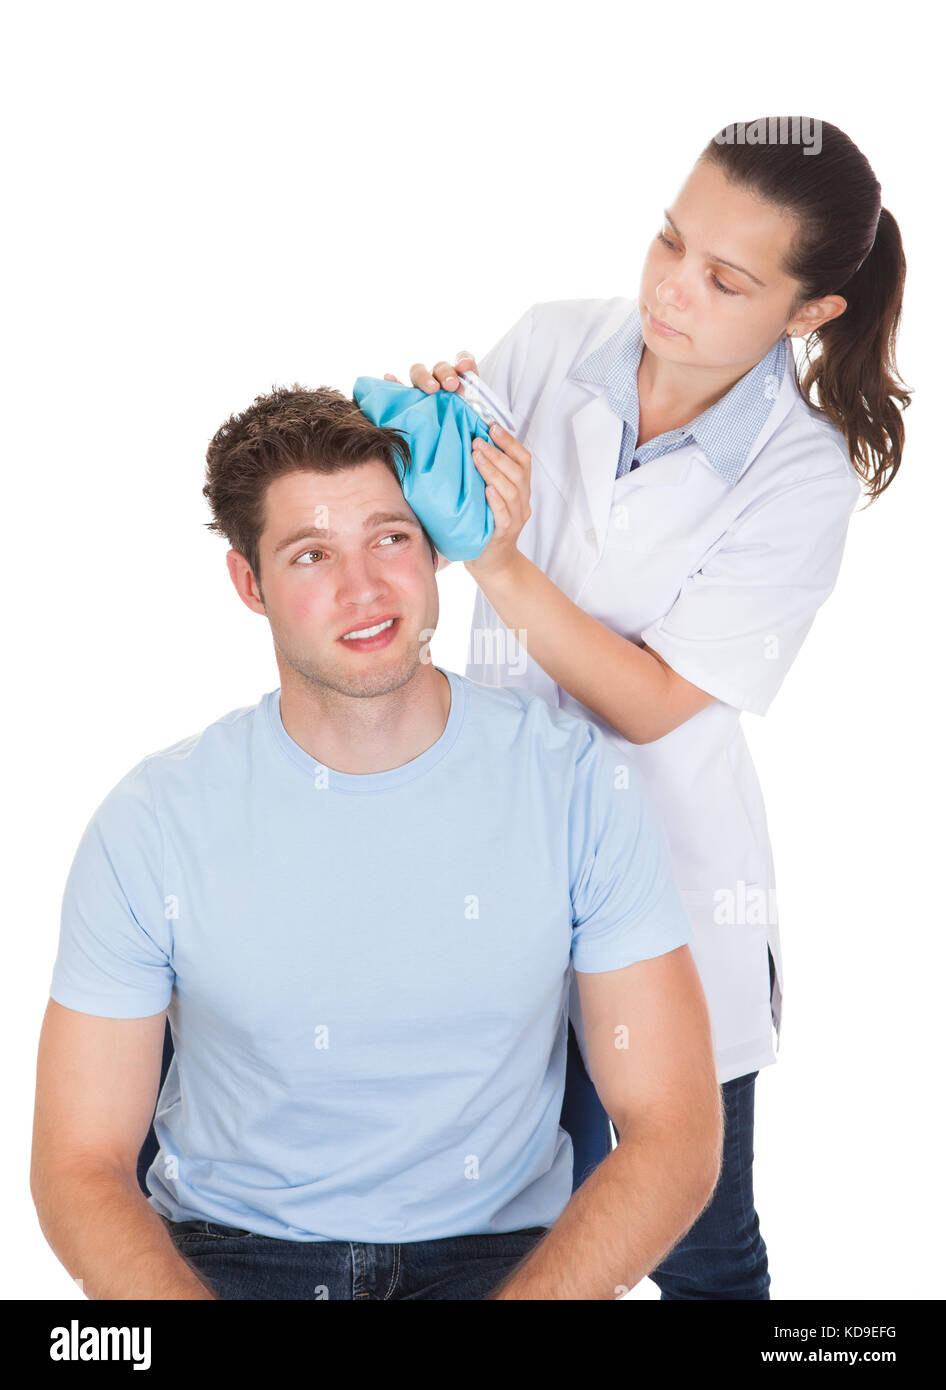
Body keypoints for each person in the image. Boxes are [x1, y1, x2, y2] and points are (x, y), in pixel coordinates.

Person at [30, 386, 722, 1302]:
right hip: (232, 1258)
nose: (365, 590)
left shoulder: (574, 784)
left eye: (390, 538)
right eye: (312, 554)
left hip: (503, 1261)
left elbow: (674, 1131)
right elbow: (79, 1164)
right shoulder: (155, 819)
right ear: (251, 584)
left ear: (434, 545)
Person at [400, 116, 910, 1300]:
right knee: (526, 1229)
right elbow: (418, 540)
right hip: (505, 872)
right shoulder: (549, 344)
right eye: (669, 242)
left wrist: (499, 554)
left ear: (807, 312)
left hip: (676, 899)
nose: (672, 291)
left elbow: (647, 703)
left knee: (700, 1242)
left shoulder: (800, 472)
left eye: (726, 278)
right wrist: (419, 440)